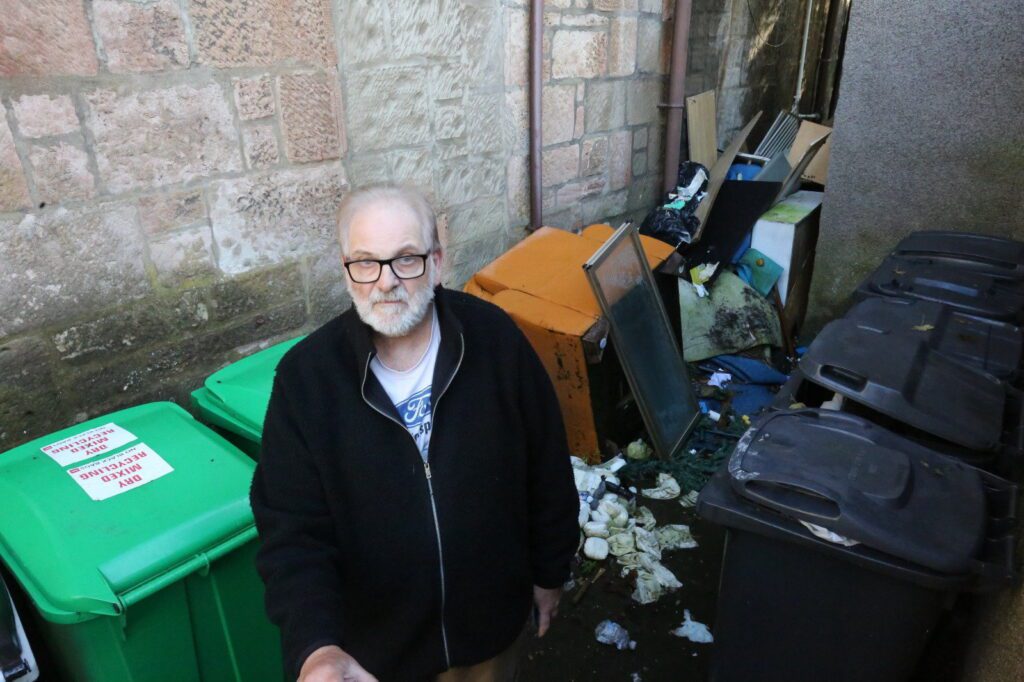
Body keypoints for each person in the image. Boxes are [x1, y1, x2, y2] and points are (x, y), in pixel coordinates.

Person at [250, 184, 580, 682]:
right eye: (366, 262)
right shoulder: (306, 380)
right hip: (374, 660)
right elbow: (292, 534)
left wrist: (550, 573)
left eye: (406, 258)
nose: (386, 282)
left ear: (437, 263)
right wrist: (316, 648)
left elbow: (547, 466)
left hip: (489, 635)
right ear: (345, 269)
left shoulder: (495, 341)